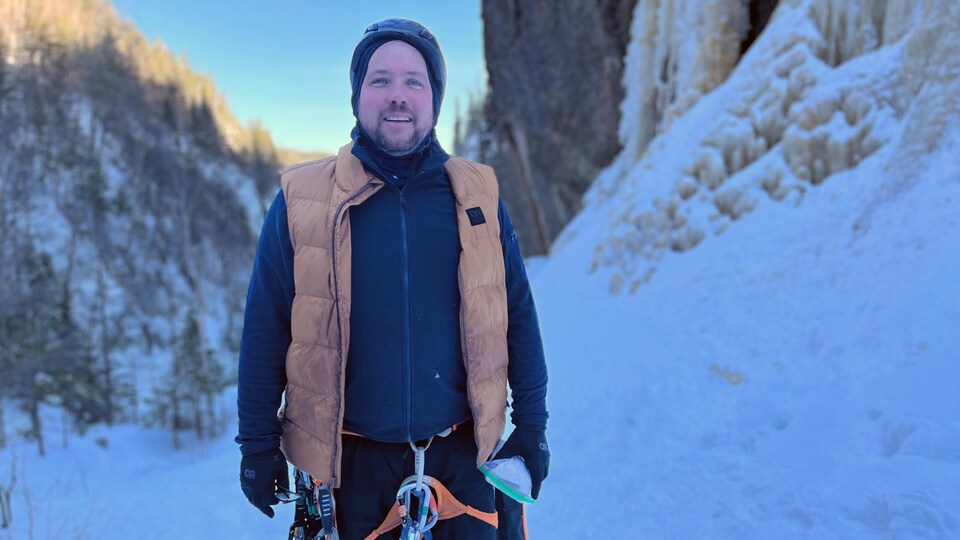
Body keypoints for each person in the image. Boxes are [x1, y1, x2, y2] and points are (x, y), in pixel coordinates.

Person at [236, 18, 549, 540]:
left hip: (463, 459)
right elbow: (266, 327)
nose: (397, 95)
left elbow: (515, 312)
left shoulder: (477, 195)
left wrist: (533, 425)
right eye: (379, 80)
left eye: (413, 81)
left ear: (434, 99)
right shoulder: (301, 199)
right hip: (350, 467)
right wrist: (257, 443)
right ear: (357, 96)